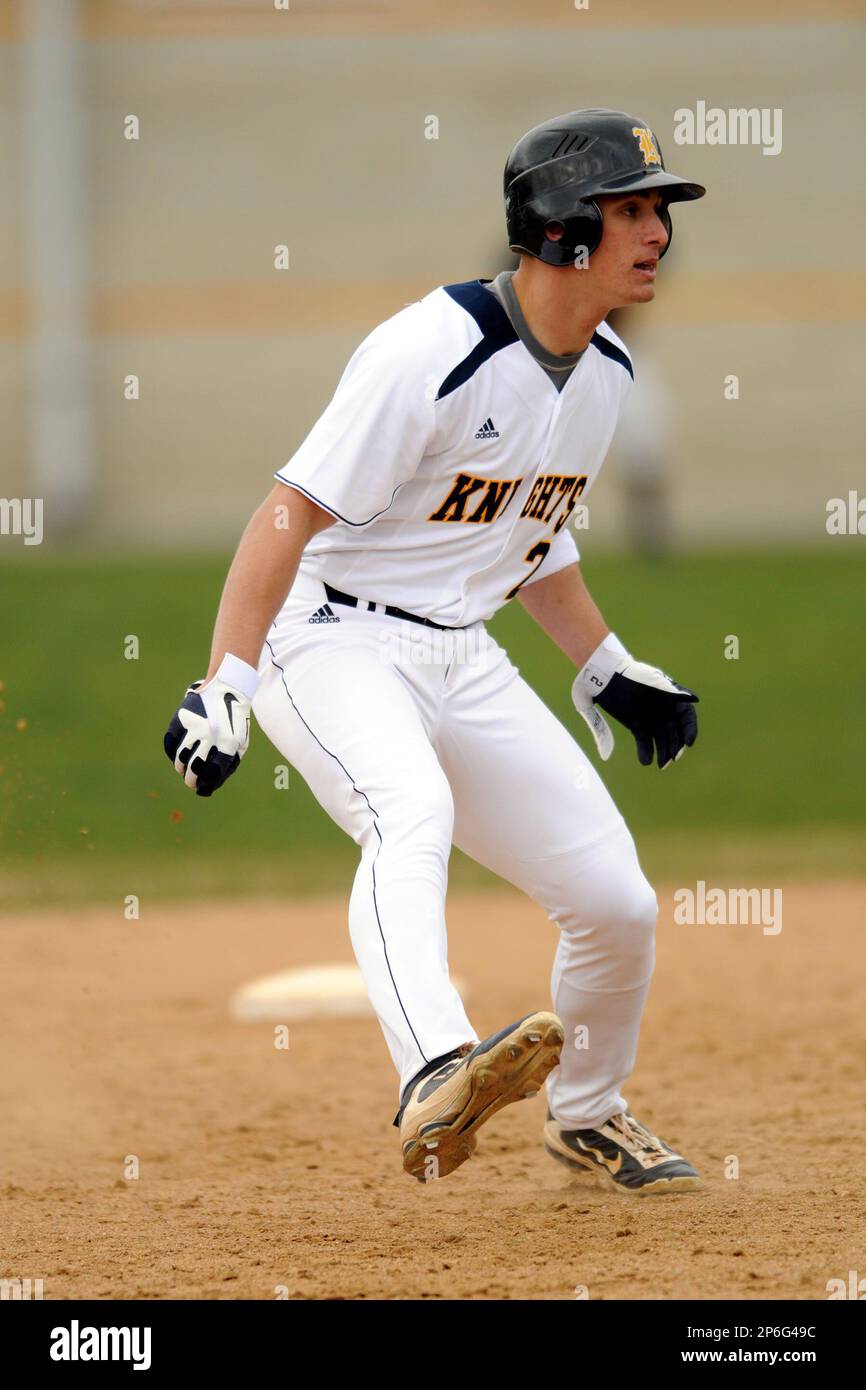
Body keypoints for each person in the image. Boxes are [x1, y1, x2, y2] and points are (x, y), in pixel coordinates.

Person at [164, 109, 706, 1194]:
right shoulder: (431, 351)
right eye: (631, 209)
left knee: (617, 902)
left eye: (660, 210)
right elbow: (287, 512)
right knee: (408, 811)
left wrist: (603, 661)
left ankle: (587, 1114)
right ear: (560, 226)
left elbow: (528, 538)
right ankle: (434, 1069)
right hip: (328, 635)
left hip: (462, 652)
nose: (658, 233)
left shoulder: (604, 370)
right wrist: (225, 682)